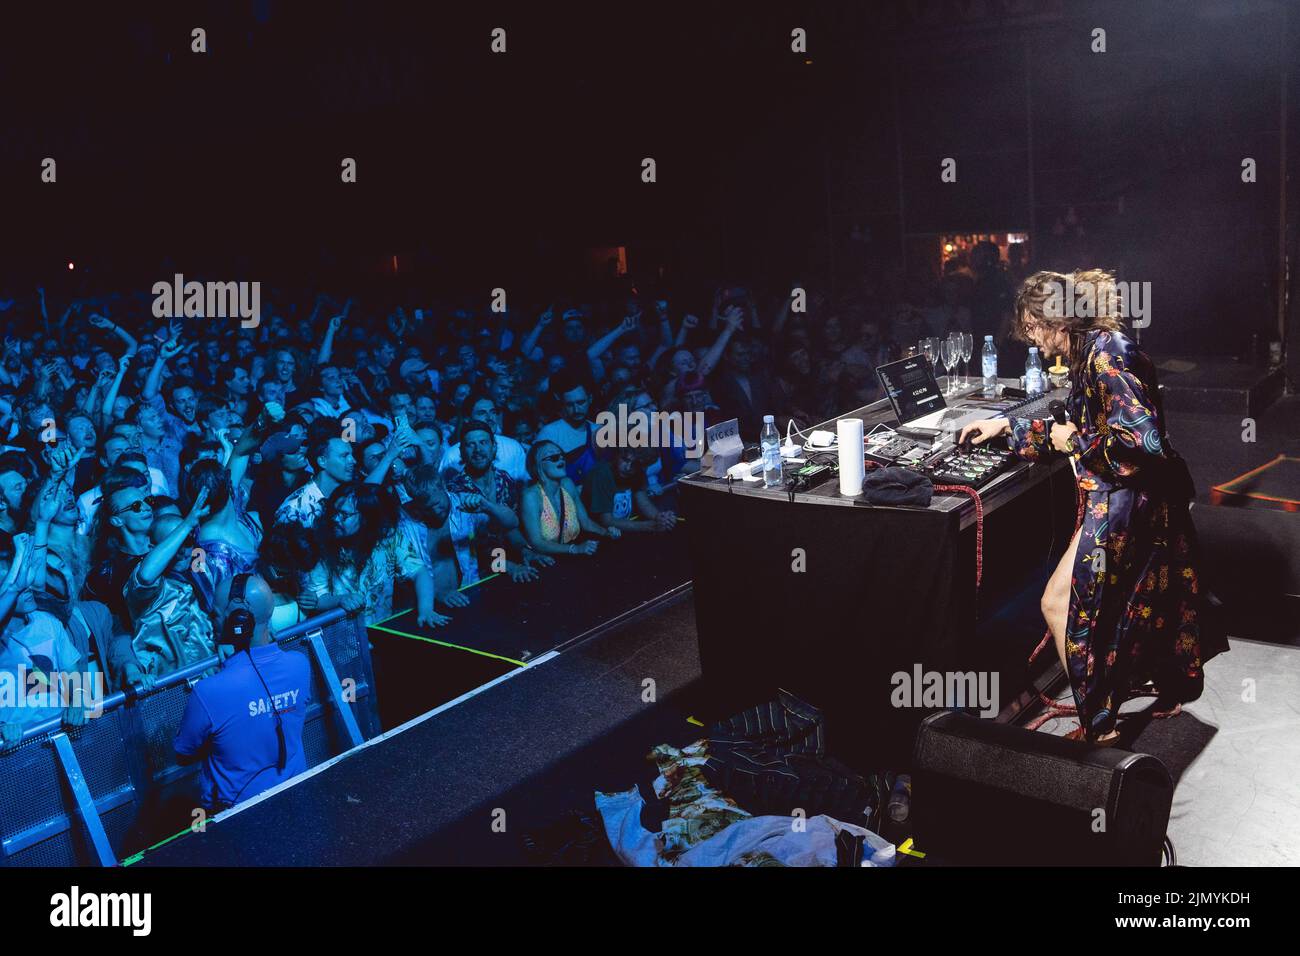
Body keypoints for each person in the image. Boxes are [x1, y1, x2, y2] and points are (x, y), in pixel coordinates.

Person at [959, 269, 1221, 745]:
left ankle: (1100, 730)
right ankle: (1147, 695)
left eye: (1034, 328)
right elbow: (1082, 429)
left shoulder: (1105, 357)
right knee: (1140, 601)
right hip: (1137, 500)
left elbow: (1142, 443)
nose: (1032, 340)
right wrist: (1009, 429)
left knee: (1058, 603)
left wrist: (1073, 441)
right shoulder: (1095, 350)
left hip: (1127, 504)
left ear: (1057, 322)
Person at [174, 572, 311, 811]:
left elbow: (182, 753)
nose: (212, 620)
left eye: (216, 614)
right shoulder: (300, 664)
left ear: (238, 620)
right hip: (297, 796)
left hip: (239, 814)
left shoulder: (209, 691)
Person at [302, 482, 438, 628]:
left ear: (366, 517)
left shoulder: (389, 538)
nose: (335, 519)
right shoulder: (324, 543)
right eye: (334, 512)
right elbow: (318, 599)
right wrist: (340, 600)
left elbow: (419, 572)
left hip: (380, 629)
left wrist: (426, 610)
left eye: (344, 514)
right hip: (343, 635)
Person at [520, 440, 619, 558]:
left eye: (561, 455)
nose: (561, 459)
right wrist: (574, 549)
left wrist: (607, 533)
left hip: (571, 555)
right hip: (547, 560)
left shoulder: (567, 484)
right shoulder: (531, 496)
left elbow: (586, 522)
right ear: (538, 465)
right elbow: (536, 543)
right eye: (554, 457)